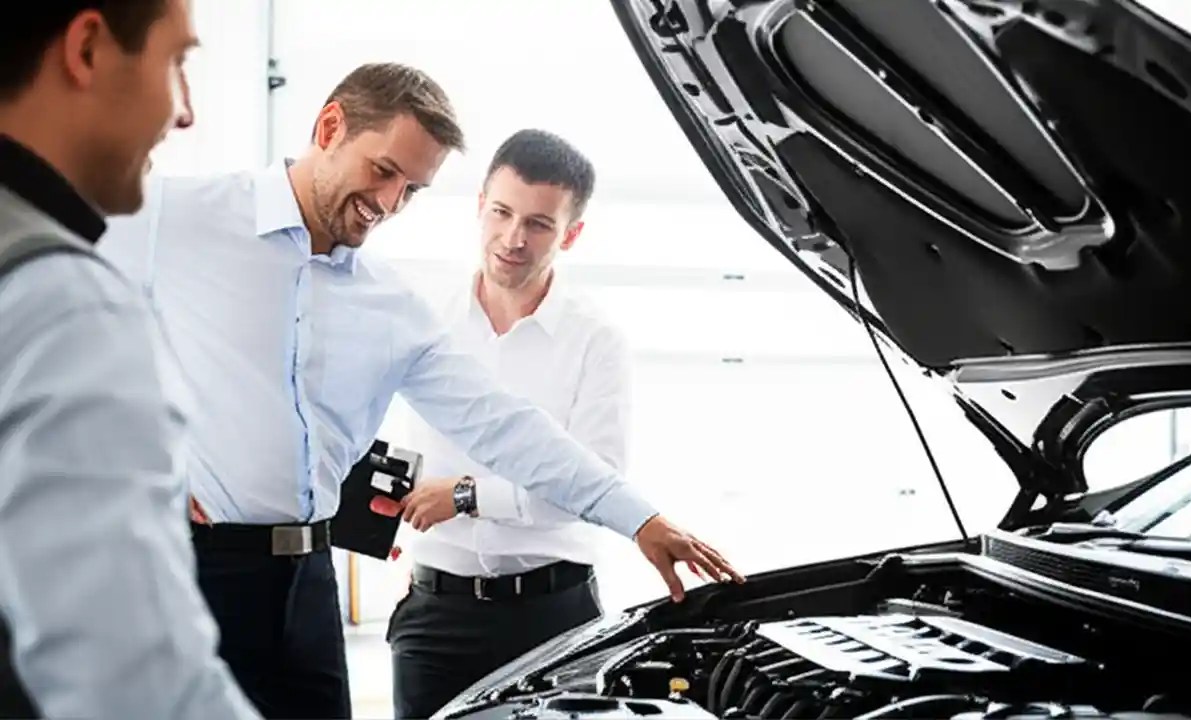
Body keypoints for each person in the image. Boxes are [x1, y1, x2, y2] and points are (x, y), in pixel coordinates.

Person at [97, 62, 743, 719]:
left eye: (411, 189)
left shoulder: (392, 306)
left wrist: (640, 519)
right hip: (190, 572)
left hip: (309, 583)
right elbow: (48, 311)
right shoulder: (172, 216)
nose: (388, 203)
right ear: (330, 127)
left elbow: (507, 426)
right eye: (383, 171)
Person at [0, 2, 263, 719]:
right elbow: (140, 692)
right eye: (177, 62)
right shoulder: (65, 307)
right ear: (87, 47)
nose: (185, 112)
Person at [387, 129, 635, 718]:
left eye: (539, 224)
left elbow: (594, 487)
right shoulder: (423, 317)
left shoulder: (596, 339)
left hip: (555, 619)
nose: (513, 238)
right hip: (435, 612)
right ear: (480, 205)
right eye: (501, 212)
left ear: (571, 234)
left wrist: (466, 496)